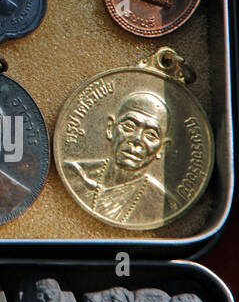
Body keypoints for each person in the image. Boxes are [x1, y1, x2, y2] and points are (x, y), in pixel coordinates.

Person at [63, 89, 178, 226]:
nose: (137, 139)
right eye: (129, 127)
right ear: (111, 129)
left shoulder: (163, 205)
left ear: (162, 147)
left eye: (151, 135)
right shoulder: (75, 174)